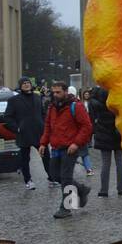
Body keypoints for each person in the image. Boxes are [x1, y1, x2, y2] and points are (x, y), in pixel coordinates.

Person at [39, 81, 93, 219]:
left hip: (70, 148)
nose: (55, 95)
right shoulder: (52, 107)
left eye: (58, 92)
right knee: (55, 175)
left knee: (66, 178)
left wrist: (76, 143)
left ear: (65, 92)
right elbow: (47, 127)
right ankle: (81, 189)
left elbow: (86, 126)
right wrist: (43, 143)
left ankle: (66, 208)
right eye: (54, 92)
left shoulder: (76, 106)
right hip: (56, 147)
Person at [6, 77, 46, 190]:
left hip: (39, 132)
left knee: (46, 156)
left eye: (28, 82)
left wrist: (44, 124)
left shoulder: (38, 97)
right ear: (20, 86)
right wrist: (17, 128)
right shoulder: (14, 100)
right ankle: (28, 180)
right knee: (25, 159)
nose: (26, 84)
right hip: (24, 133)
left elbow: (43, 113)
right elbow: (8, 117)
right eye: (24, 83)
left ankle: (52, 178)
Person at [89, 87, 122, 197]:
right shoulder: (116, 100)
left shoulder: (97, 103)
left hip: (103, 134)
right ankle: (121, 189)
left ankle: (104, 190)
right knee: (120, 162)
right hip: (117, 133)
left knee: (105, 163)